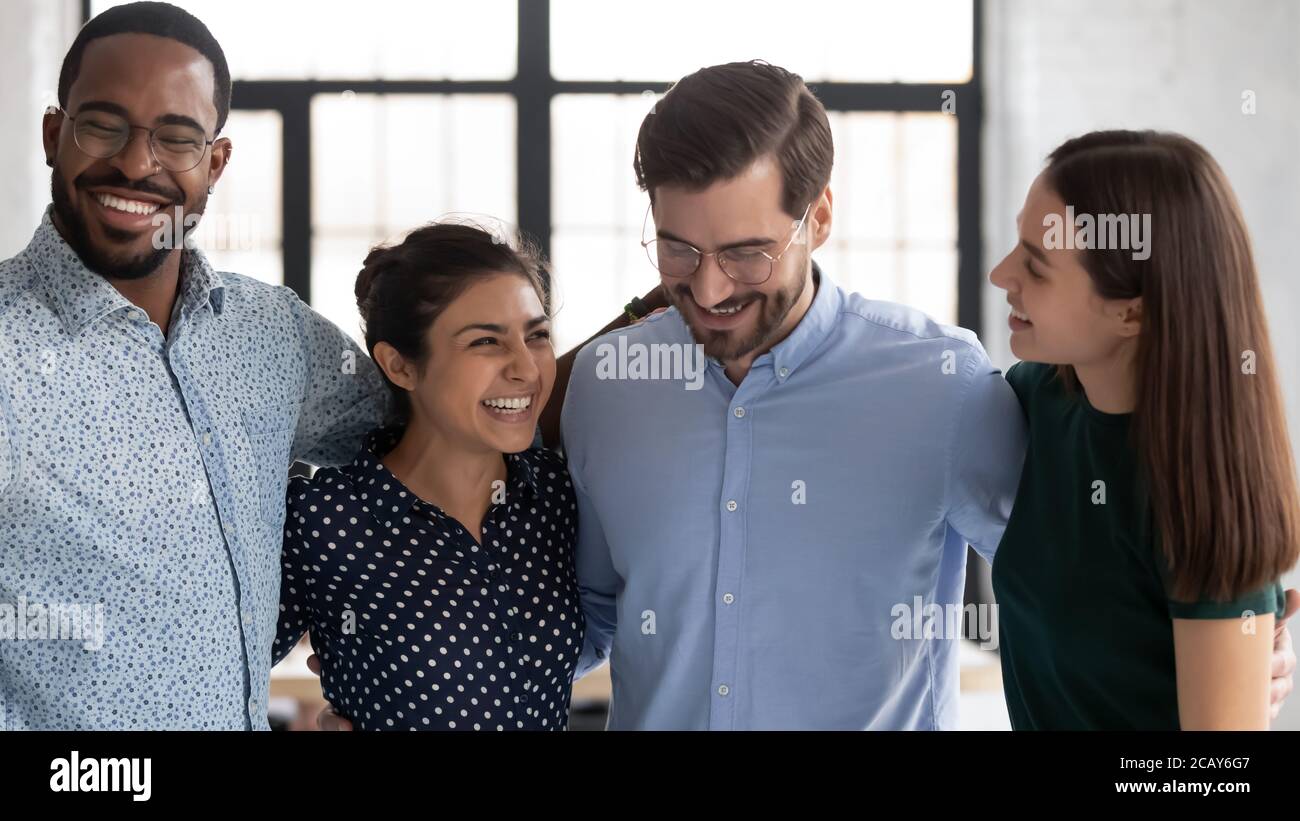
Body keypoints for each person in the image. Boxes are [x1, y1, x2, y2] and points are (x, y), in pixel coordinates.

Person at [553, 61, 1297, 729]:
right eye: (681, 248)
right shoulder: (607, 388)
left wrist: (1225, 639)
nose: (709, 288)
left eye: (746, 254)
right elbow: (589, 614)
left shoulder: (945, 389)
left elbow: (1084, 582)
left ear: (819, 218)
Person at [989, 130, 1300, 728]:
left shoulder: (1201, 500)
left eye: (1036, 266)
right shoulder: (1039, 399)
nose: (1001, 274)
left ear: (1132, 311)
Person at [271, 223, 584, 730]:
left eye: (537, 335)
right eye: (486, 341)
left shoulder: (557, 494)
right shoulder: (323, 520)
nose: (527, 369)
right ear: (400, 366)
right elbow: (209, 677)